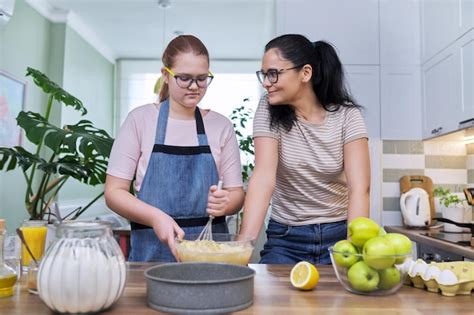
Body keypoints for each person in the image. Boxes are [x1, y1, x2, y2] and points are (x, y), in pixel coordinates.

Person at [105, 35, 245, 262]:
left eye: (202, 79)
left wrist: (227, 203)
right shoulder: (140, 120)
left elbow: (237, 194)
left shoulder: (221, 126)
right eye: (184, 78)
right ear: (165, 76)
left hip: (212, 257)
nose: (194, 87)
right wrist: (156, 217)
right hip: (151, 251)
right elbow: (114, 192)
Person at [239, 34, 370, 265]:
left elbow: (360, 189)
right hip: (286, 238)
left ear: (305, 73)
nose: (266, 82)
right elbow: (263, 179)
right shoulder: (267, 109)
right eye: (264, 74)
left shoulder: (348, 116)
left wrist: (353, 251)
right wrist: (241, 250)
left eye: (273, 73)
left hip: (338, 236)